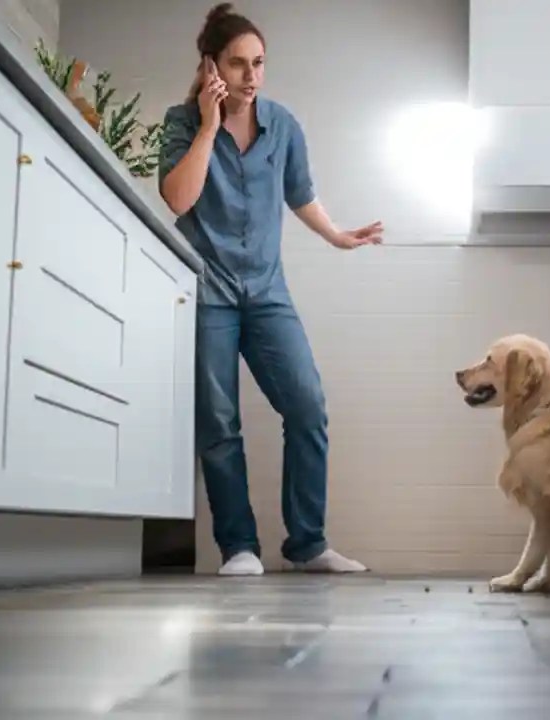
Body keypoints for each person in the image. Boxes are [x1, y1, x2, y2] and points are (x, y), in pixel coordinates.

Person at [158, 3, 382, 576]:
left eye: (259, 63)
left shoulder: (282, 125)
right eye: (238, 64)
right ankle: (239, 548)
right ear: (211, 66)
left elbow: (298, 192)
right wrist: (210, 126)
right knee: (219, 421)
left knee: (307, 405)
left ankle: (308, 545)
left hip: (266, 291)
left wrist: (335, 235)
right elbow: (179, 199)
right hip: (208, 289)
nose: (251, 76)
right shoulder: (182, 123)